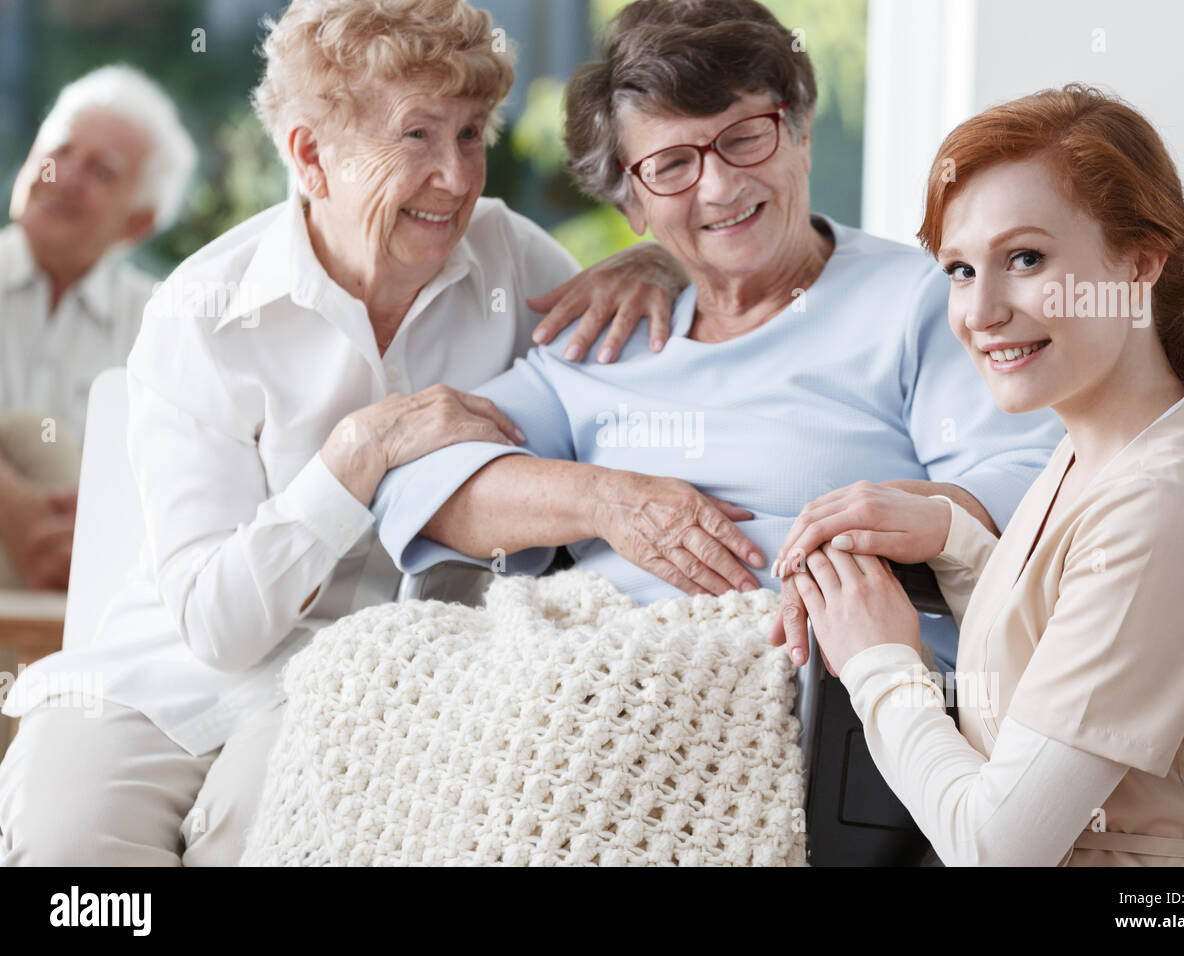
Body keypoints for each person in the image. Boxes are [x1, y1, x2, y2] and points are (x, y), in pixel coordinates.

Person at [0, 0, 687, 866]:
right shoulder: (203, 312)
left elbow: (644, 367)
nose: (455, 176)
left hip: (373, 679)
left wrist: (662, 263)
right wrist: (359, 454)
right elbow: (218, 630)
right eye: (416, 135)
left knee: (266, 832)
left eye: (471, 133)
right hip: (165, 671)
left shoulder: (515, 264)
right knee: (71, 854)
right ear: (310, 155)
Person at [368, 0, 1062, 681]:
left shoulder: (927, 303)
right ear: (632, 205)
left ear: (801, 130)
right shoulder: (610, 334)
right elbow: (420, 485)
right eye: (672, 165)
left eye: (745, 137)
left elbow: (1032, 484)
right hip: (597, 683)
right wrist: (604, 500)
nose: (722, 186)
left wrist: (885, 524)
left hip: (820, 694)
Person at [777, 83, 1184, 865]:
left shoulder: (1163, 501)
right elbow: (1068, 637)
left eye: (1025, 258)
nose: (981, 310)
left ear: (1140, 264)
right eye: (958, 269)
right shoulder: (1103, 440)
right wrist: (955, 541)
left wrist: (878, 663)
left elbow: (994, 849)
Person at [0, 64, 196, 594]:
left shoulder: (163, 326)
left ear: (139, 222)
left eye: (101, 171)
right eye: (59, 151)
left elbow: (188, 480)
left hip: (93, 591)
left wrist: (111, 518)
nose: (63, 177)